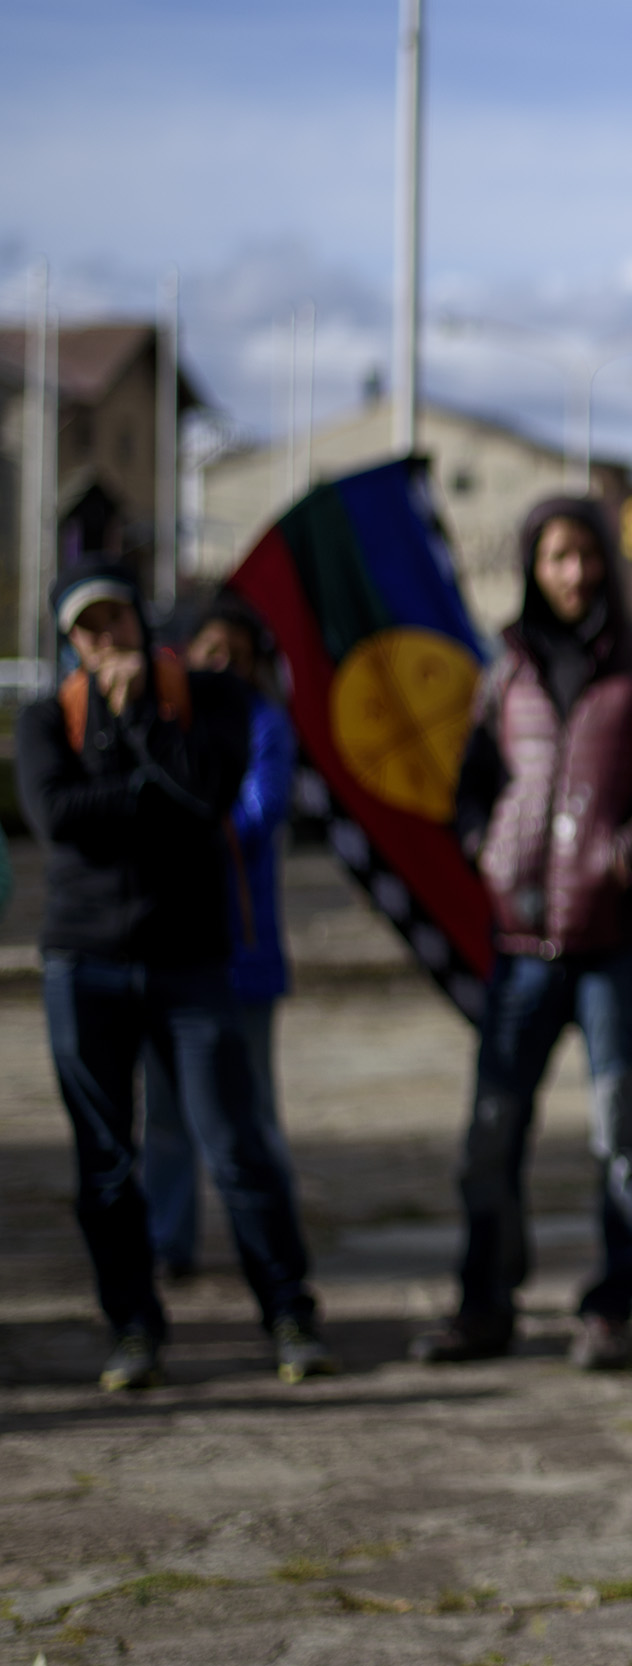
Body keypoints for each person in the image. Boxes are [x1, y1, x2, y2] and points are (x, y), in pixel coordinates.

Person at [414, 497, 632, 1369]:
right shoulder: (503, 671)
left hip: (613, 944)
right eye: (555, 556)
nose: (574, 571)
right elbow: (469, 786)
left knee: (621, 1137)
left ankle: (611, 1308)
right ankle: (484, 1304)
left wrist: (629, 851)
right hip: (519, 947)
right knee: (491, 1132)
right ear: (531, 567)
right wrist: (487, 847)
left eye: (586, 554)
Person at [19, 558, 332, 1390]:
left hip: (192, 963)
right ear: (68, 642)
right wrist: (141, 783)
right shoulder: (47, 720)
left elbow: (205, 797)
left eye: (116, 621)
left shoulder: (213, 701)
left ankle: (289, 1311)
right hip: (84, 963)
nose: (105, 641)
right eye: (86, 630)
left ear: (142, 622)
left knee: (236, 1143)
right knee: (106, 1161)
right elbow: (59, 822)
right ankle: (132, 1325)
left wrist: (142, 728)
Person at [143, 595, 299, 1279]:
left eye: (239, 653)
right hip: (167, 944)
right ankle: (167, 1242)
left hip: (242, 948)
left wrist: (183, 818)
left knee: (253, 1112)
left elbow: (255, 812)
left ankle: (272, 1244)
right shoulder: (165, 719)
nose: (225, 665)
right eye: (212, 650)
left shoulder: (266, 722)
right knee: (167, 1110)